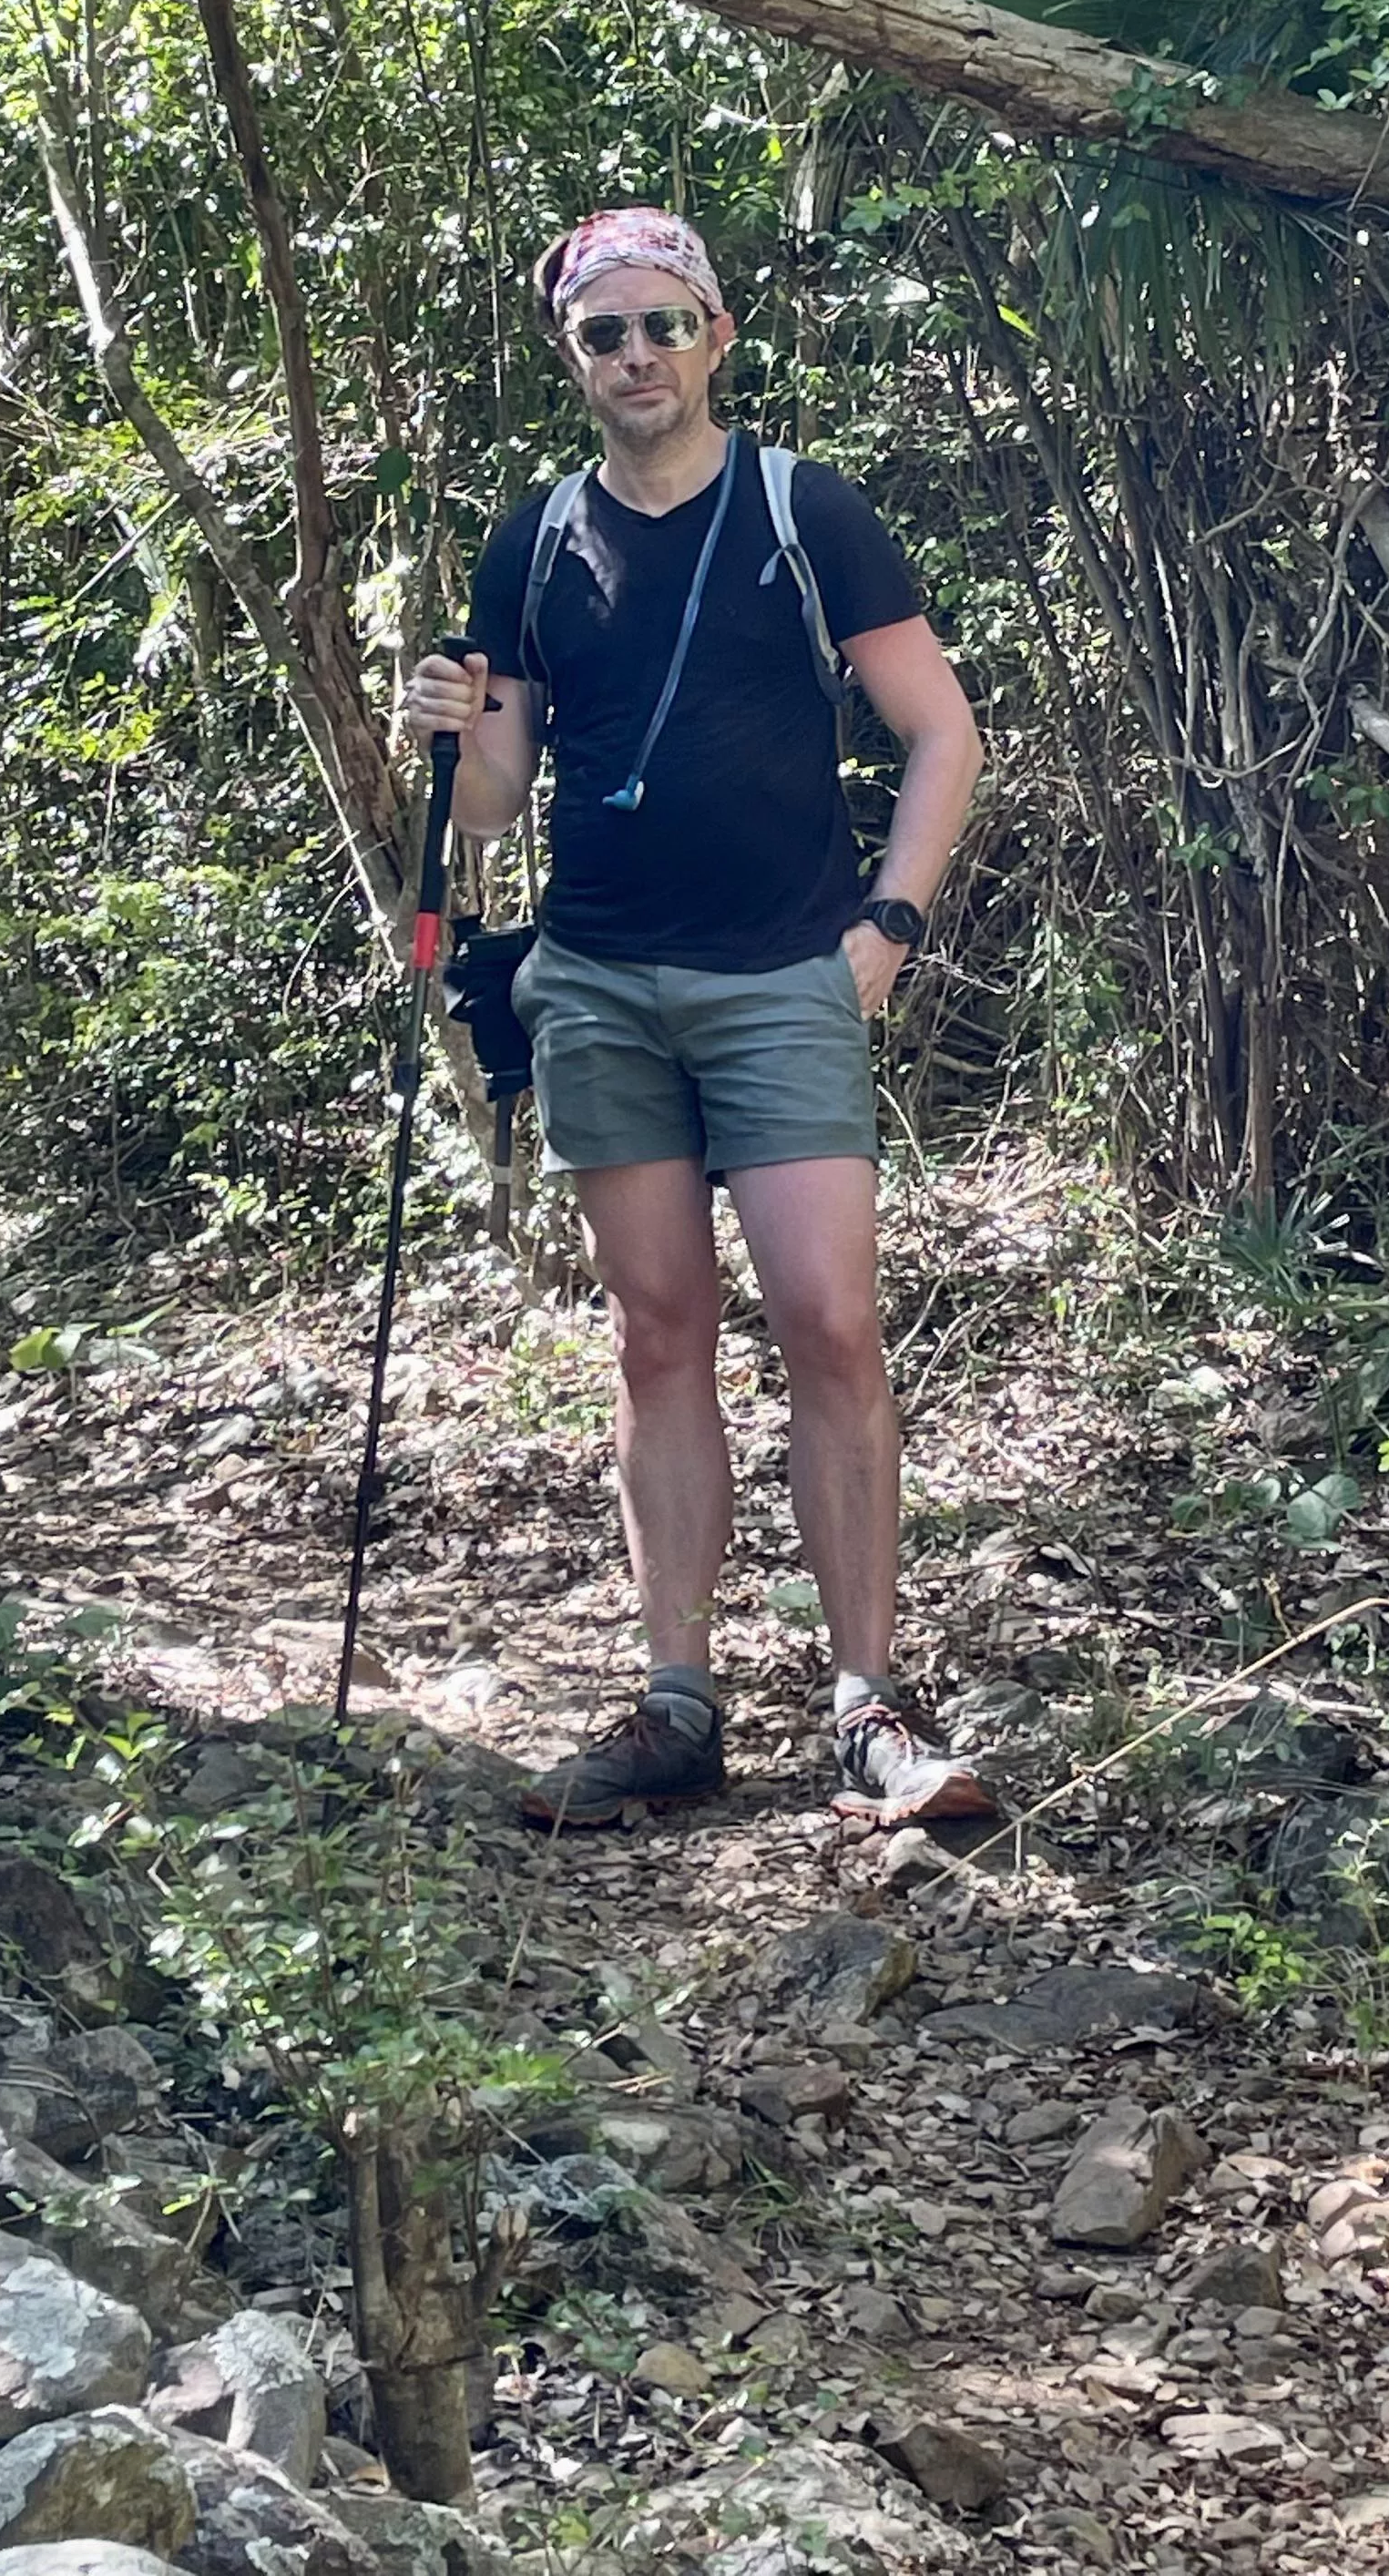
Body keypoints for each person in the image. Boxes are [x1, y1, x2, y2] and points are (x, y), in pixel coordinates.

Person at [400, 207, 991, 1829]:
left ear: (716, 335)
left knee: (829, 1324)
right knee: (657, 1336)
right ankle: (679, 1701)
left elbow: (941, 731)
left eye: (664, 325)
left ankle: (868, 1704)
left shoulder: (806, 509)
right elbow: (498, 810)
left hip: (781, 973)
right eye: (606, 334)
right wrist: (449, 728)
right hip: (595, 979)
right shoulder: (534, 542)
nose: (638, 356)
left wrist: (888, 925)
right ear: (570, 356)